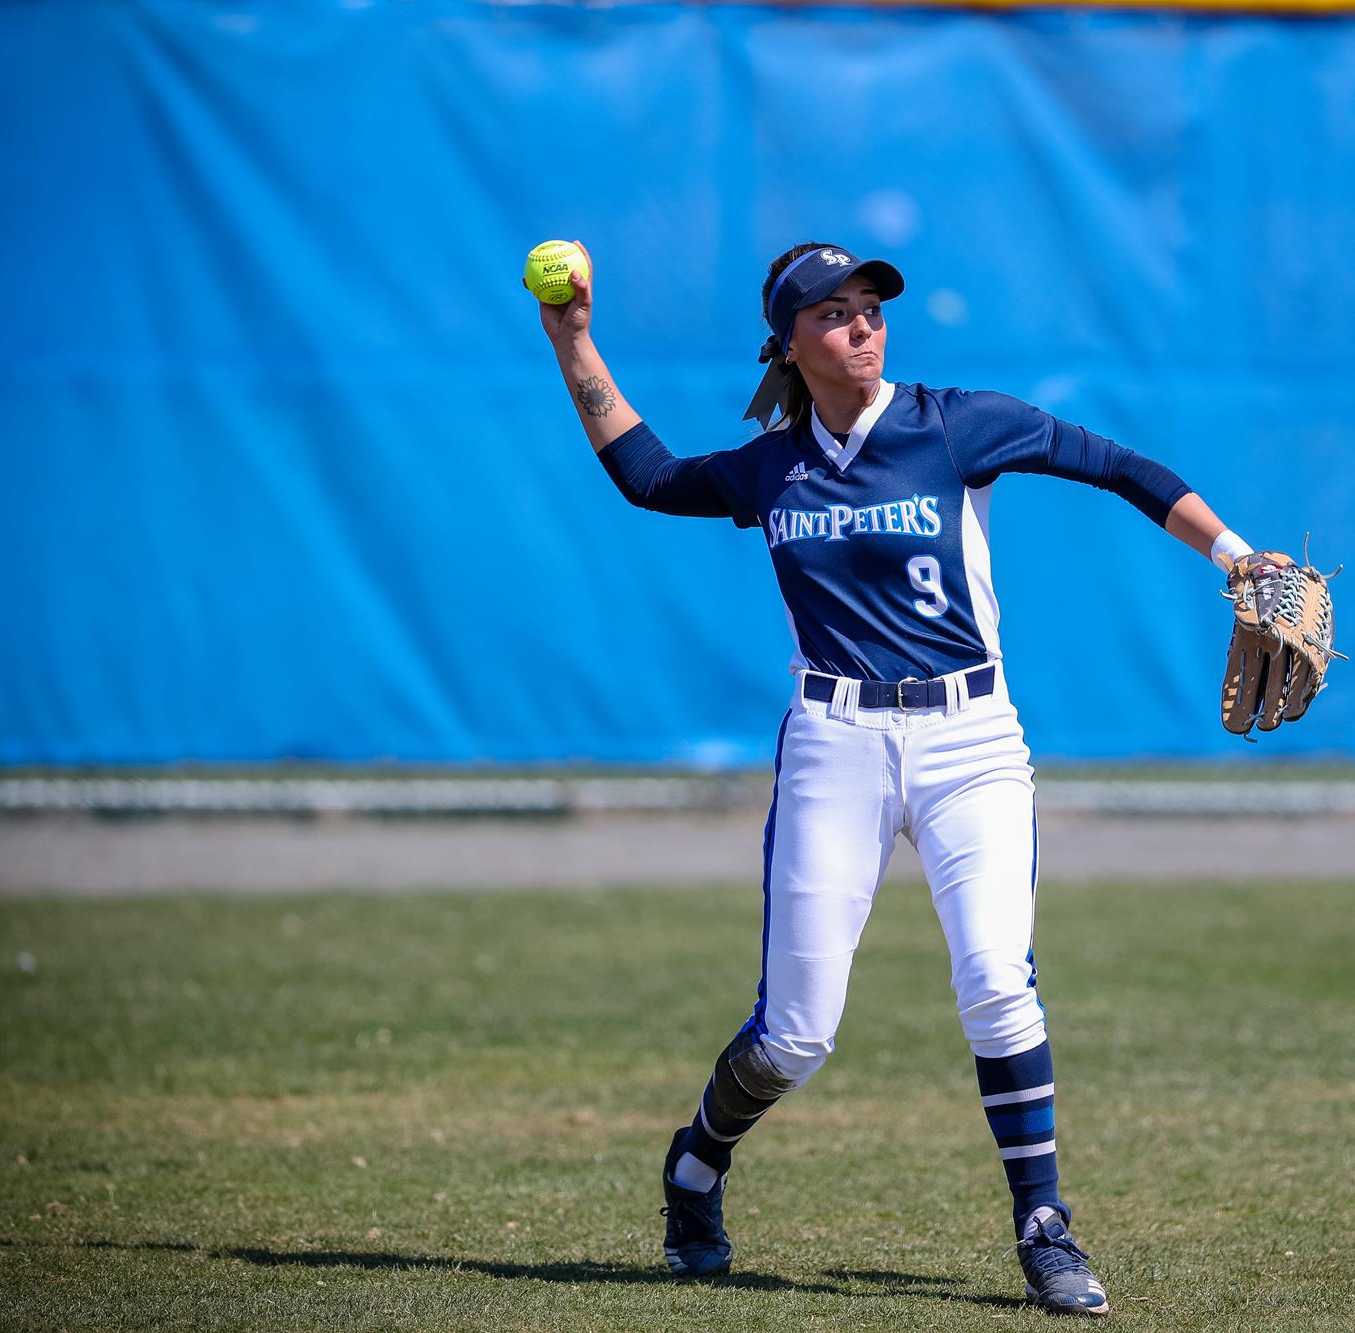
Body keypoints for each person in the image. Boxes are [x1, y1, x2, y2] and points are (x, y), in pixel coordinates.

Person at [531, 239, 1265, 1314]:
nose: (862, 324)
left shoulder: (954, 421)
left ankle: (1043, 1225)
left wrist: (1235, 555)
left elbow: (1117, 465)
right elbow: (647, 477)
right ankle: (694, 1167)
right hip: (835, 740)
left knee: (995, 983)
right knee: (794, 1033)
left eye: (870, 304)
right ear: (787, 343)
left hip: (971, 736)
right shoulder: (770, 466)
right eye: (831, 313)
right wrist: (574, 339)